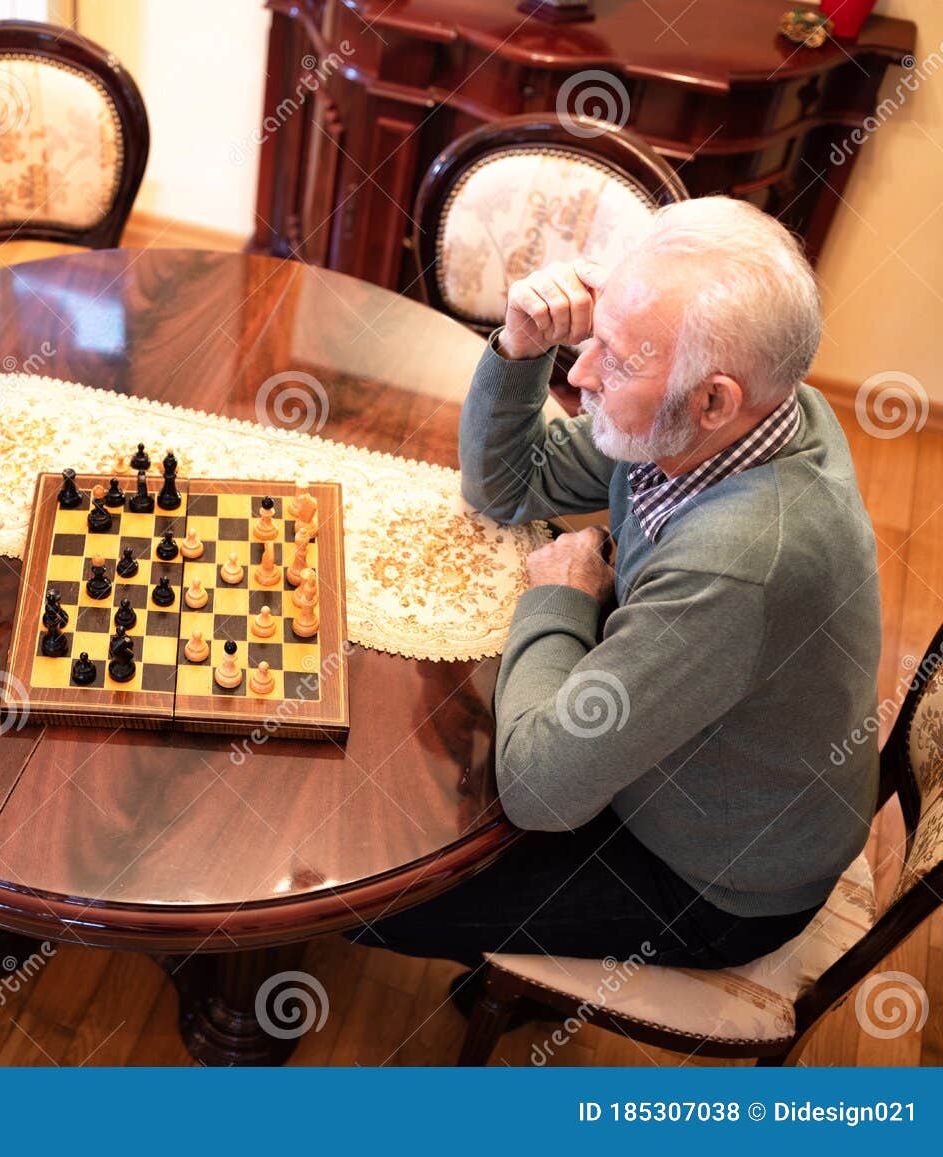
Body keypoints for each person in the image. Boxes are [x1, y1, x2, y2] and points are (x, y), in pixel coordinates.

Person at [349, 197, 880, 1009]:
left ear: (714, 401)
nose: (583, 374)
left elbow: (540, 790)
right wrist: (519, 349)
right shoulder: (749, 414)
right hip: (683, 758)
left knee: (365, 886)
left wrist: (561, 599)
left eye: (619, 359)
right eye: (591, 337)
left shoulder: (738, 562)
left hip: (710, 878)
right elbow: (507, 487)